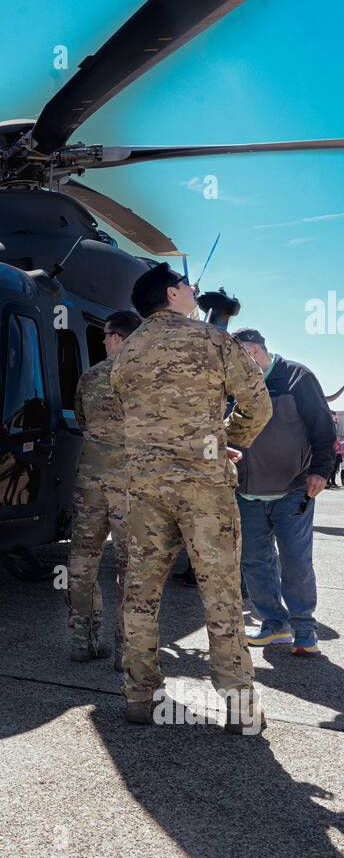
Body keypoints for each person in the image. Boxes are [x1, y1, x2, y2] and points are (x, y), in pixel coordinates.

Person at [111, 264, 272, 735]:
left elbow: (129, 412)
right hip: (203, 486)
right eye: (187, 286)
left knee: (140, 592)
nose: (194, 291)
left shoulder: (128, 351)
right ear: (171, 293)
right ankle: (240, 709)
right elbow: (258, 403)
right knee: (221, 593)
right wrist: (224, 440)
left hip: (144, 487)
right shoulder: (212, 341)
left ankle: (140, 696)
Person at [230, 328, 335, 655]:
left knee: (295, 560)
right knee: (254, 561)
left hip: (294, 489)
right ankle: (274, 624)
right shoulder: (235, 384)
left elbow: (323, 426)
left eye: (243, 357)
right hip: (247, 493)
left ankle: (305, 629)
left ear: (257, 351)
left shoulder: (297, 377)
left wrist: (321, 470)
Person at [68, 309, 142, 667]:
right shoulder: (149, 377)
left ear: (115, 336)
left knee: (83, 560)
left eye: (105, 335)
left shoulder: (90, 377)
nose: (102, 341)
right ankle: (127, 650)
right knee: (131, 567)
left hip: (91, 483)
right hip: (131, 486)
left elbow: (83, 421)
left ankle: (82, 641)